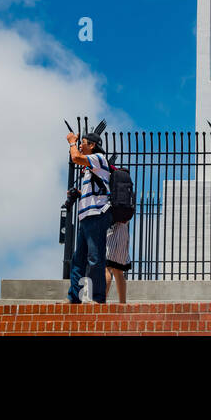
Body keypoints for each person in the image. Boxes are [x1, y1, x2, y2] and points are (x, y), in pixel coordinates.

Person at [66, 129, 113, 304]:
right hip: (86, 217)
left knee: (95, 258)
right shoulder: (89, 169)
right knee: (78, 259)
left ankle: (97, 298)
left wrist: (71, 142)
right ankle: (74, 297)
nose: (79, 145)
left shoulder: (98, 159)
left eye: (83, 143)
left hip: (96, 215)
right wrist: (78, 193)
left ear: (92, 145)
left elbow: (75, 157)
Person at [105, 219, 131, 304]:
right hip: (123, 232)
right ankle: (122, 304)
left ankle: (101, 302)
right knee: (118, 271)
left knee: (106, 268)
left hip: (111, 232)